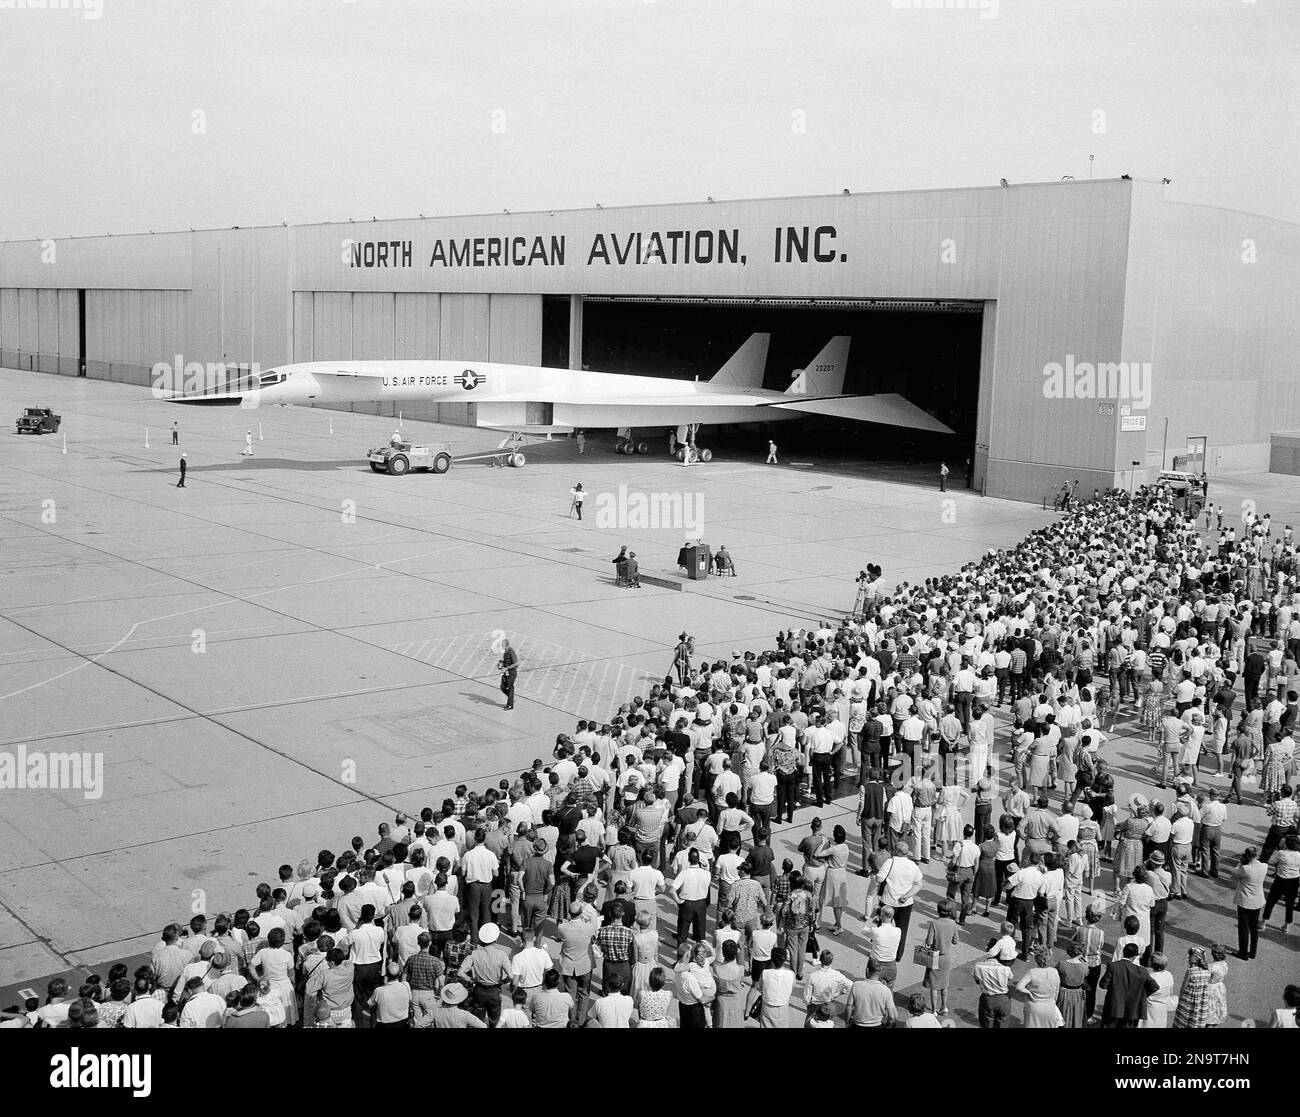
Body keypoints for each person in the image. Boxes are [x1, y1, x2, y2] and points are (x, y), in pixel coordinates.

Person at [1099, 942, 1158, 1028]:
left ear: (1123, 952)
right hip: (1132, 1010)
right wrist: (1141, 994)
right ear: (1134, 957)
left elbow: (1103, 985)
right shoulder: (1142, 971)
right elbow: (1154, 986)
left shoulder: (1113, 966)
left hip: (1113, 1008)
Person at [921, 899, 959, 1015]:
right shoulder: (953, 924)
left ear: (938, 911)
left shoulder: (934, 923)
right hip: (946, 957)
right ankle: (944, 1007)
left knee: (934, 986)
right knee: (944, 985)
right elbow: (956, 941)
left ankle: (933, 1010)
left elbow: (929, 942)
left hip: (935, 957)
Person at [1232, 846, 1268, 959]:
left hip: (1245, 901)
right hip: (1257, 900)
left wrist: (1240, 863)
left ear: (1246, 856)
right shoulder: (1264, 866)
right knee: (1254, 927)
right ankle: (1253, 952)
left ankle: (1243, 952)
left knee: (1243, 927)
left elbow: (1234, 872)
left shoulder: (1246, 868)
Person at [1015, 946, 1062, 1028]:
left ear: (1036, 959)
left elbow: (1019, 986)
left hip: (1034, 1005)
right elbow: (1057, 991)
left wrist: (1028, 992)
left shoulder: (1032, 972)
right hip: (1049, 1006)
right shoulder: (1055, 971)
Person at [1172, 947, 1211, 1028]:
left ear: (1194, 958)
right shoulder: (1207, 972)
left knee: (1184, 1020)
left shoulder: (1191, 971)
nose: (1188, 958)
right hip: (1201, 1002)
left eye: (1190, 956)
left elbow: (1184, 986)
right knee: (1196, 1020)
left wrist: (1180, 999)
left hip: (1188, 1001)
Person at [498, 638, 519, 711]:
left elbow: (516, 663)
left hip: (511, 673)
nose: (501, 646)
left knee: (510, 688)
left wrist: (507, 668)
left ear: (506, 645)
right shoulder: (506, 652)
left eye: (502, 645)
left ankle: (510, 705)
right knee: (503, 687)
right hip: (506, 673)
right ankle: (511, 699)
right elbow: (505, 662)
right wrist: (501, 664)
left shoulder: (511, 652)